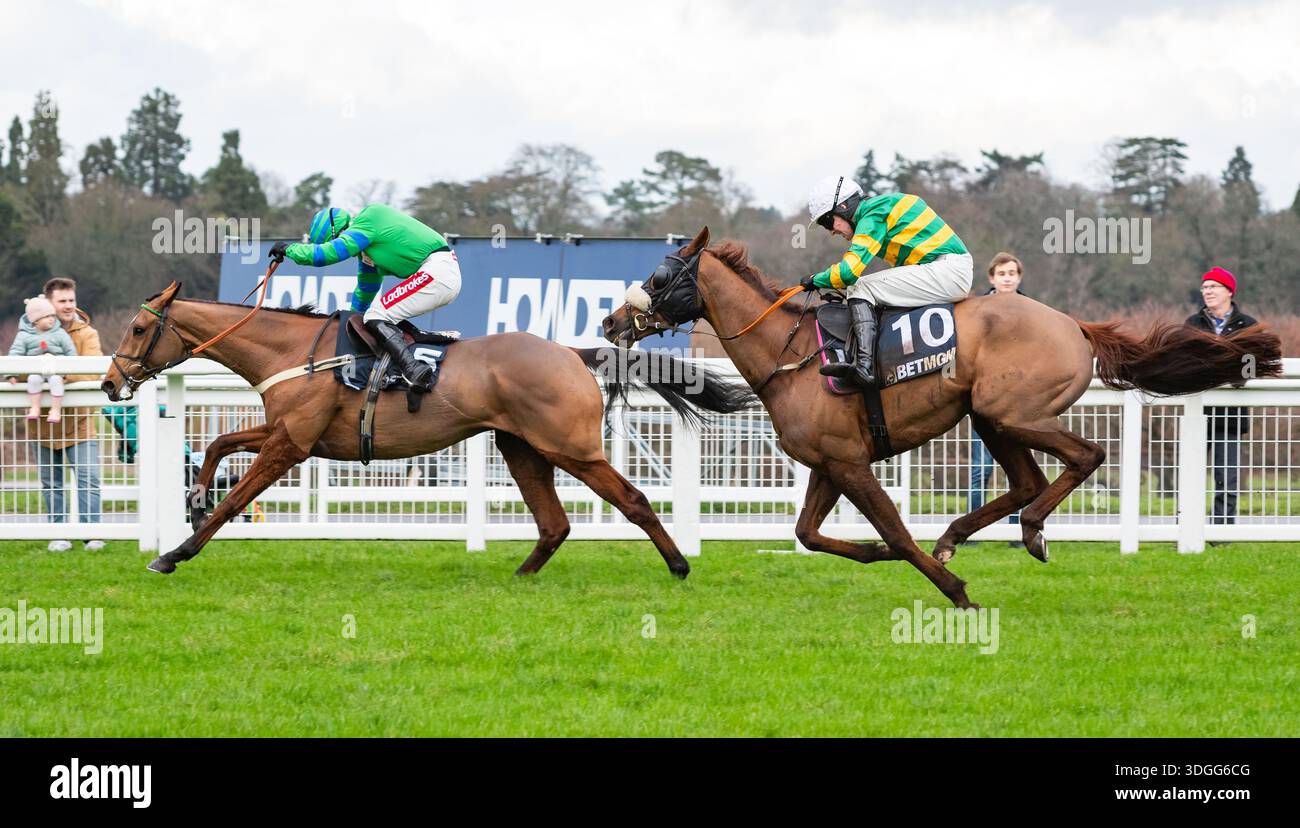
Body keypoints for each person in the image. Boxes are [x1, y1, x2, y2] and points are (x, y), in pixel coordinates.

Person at [269, 204, 461, 395]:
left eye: (340, 240)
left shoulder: (368, 219)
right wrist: (352, 319)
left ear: (339, 232)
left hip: (437, 271)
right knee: (375, 315)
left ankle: (413, 370)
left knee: (376, 315)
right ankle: (417, 348)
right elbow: (365, 290)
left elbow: (325, 255)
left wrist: (289, 249)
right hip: (439, 273)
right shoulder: (368, 251)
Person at [800, 175, 974, 386]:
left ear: (845, 206)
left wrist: (816, 279)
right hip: (945, 269)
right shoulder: (881, 208)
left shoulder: (873, 213)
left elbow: (848, 273)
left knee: (860, 286)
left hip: (948, 270)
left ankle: (865, 367)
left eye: (828, 221)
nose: (831, 231)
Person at [31, 277, 105, 552]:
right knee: (51, 481)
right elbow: (22, 365)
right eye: (62, 301)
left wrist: (58, 371)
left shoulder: (88, 333)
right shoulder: (31, 331)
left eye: (71, 300)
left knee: (88, 477)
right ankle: (58, 533)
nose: (68, 306)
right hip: (44, 423)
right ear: (48, 302)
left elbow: (93, 372)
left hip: (80, 421)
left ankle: (92, 534)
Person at [1184, 266, 1256, 525]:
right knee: (1189, 474)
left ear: (1229, 291)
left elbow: (1251, 365)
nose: (1207, 291)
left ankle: (1222, 531)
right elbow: (1185, 360)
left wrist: (1231, 372)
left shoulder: (1248, 325)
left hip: (1231, 414)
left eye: (1213, 286)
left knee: (1227, 476)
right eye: (1204, 287)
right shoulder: (1192, 324)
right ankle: (1186, 528)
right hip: (1196, 411)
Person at [966, 253, 1027, 546]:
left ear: (1019, 277)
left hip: (1018, 401)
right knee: (981, 468)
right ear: (992, 278)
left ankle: (1017, 531)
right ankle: (972, 530)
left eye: (1012, 273)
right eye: (1001, 273)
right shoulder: (978, 309)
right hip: (985, 400)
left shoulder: (1031, 312)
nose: (1007, 277)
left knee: (1019, 469)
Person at [7, 296, 77, 423]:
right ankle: (35, 407)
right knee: (32, 379)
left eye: (52, 316)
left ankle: (55, 410)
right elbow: (15, 353)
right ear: (35, 320)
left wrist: (69, 371)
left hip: (57, 371)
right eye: (46, 316)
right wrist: (12, 373)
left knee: (56, 381)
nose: (51, 319)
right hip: (35, 371)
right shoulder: (24, 336)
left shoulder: (60, 333)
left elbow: (71, 352)